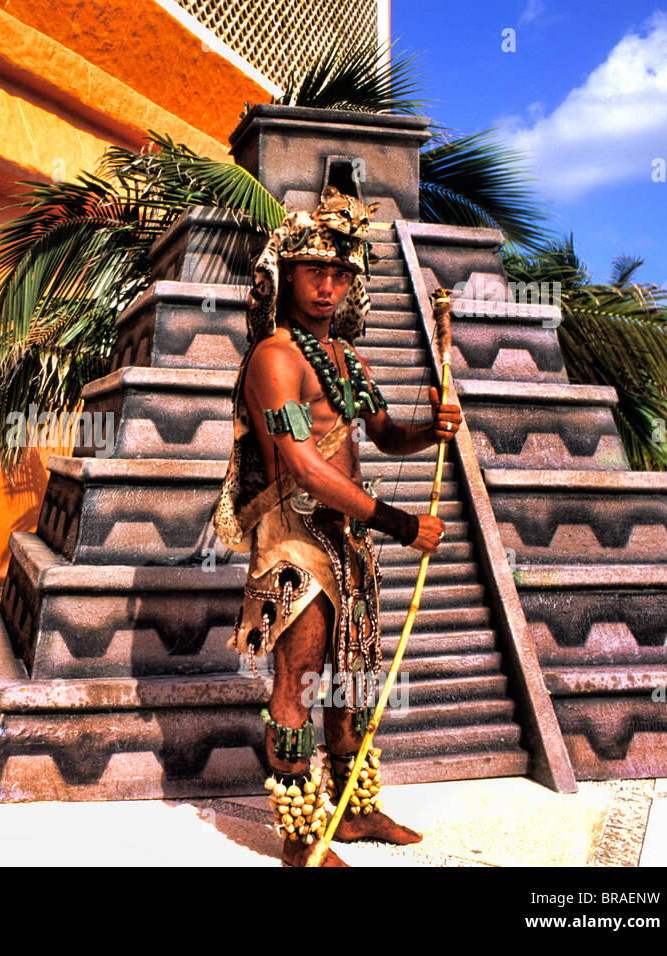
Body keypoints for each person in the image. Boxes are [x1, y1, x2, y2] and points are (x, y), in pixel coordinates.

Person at [216, 187, 462, 866]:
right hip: (290, 538)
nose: (327, 285)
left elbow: (383, 432)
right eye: (313, 271)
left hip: (346, 536)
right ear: (287, 276)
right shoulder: (273, 358)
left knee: (352, 676)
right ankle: (300, 837)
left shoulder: (351, 360)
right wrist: (397, 520)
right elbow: (297, 465)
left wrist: (430, 428)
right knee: (296, 681)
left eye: (339, 275)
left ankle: (353, 813)